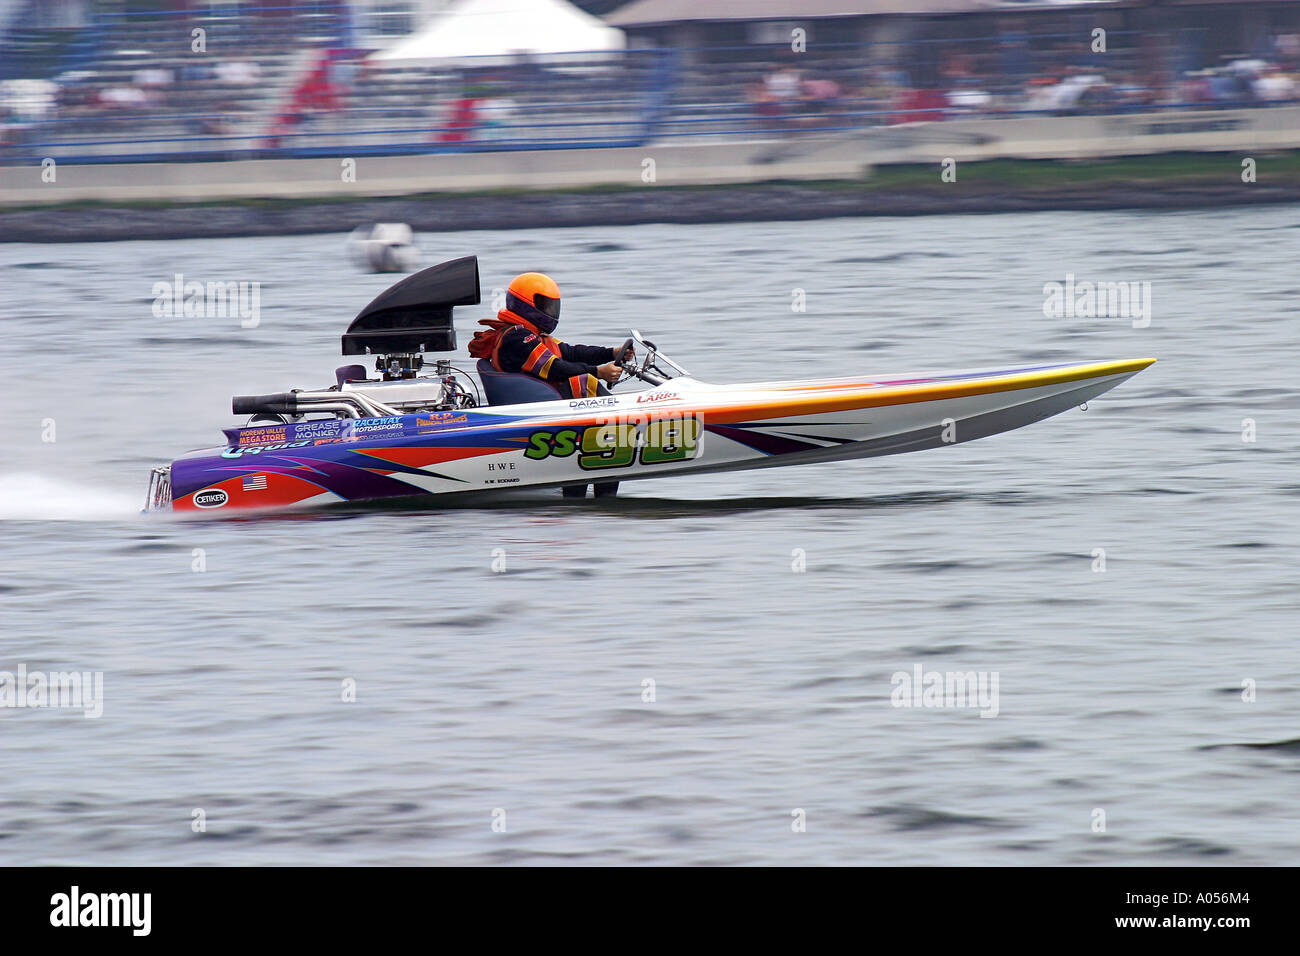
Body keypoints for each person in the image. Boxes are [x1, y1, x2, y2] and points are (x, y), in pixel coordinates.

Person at [468, 272, 631, 399]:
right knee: (584, 381)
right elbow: (554, 368)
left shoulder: (533, 334)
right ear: (525, 305)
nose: (551, 311)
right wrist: (598, 372)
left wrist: (612, 353)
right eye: (546, 306)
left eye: (553, 306)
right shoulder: (518, 338)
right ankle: (622, 419)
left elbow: (571, 353)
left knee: (582, 376)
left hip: (545, 400)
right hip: (536, 406)